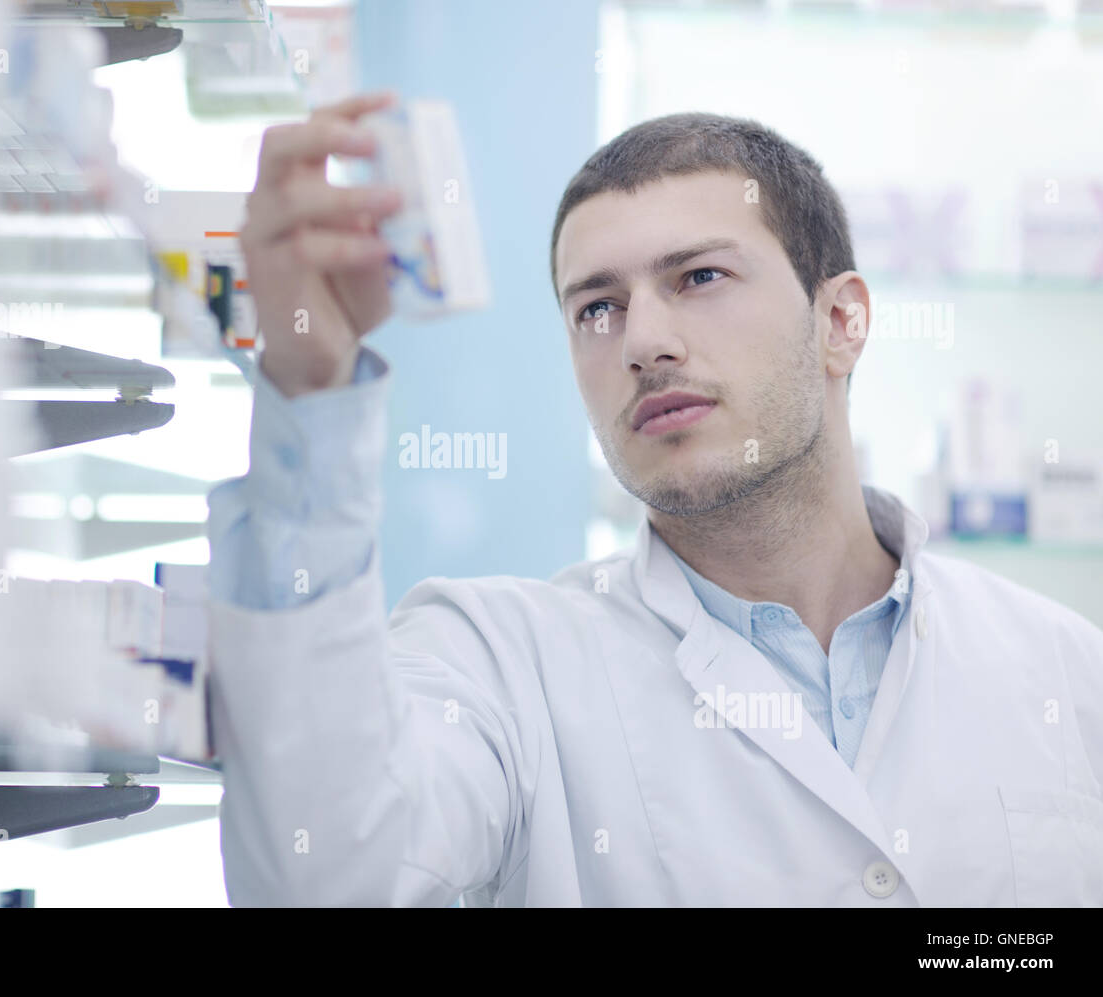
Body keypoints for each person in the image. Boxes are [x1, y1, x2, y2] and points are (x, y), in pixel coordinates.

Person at [205, 91, 1103, 907]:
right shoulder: (499, 663)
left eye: (699, 277)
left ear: (840, 322)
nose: (642, 340)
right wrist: (311, 399)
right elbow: (322, 876)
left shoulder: (1063, 669)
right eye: (596, 307)